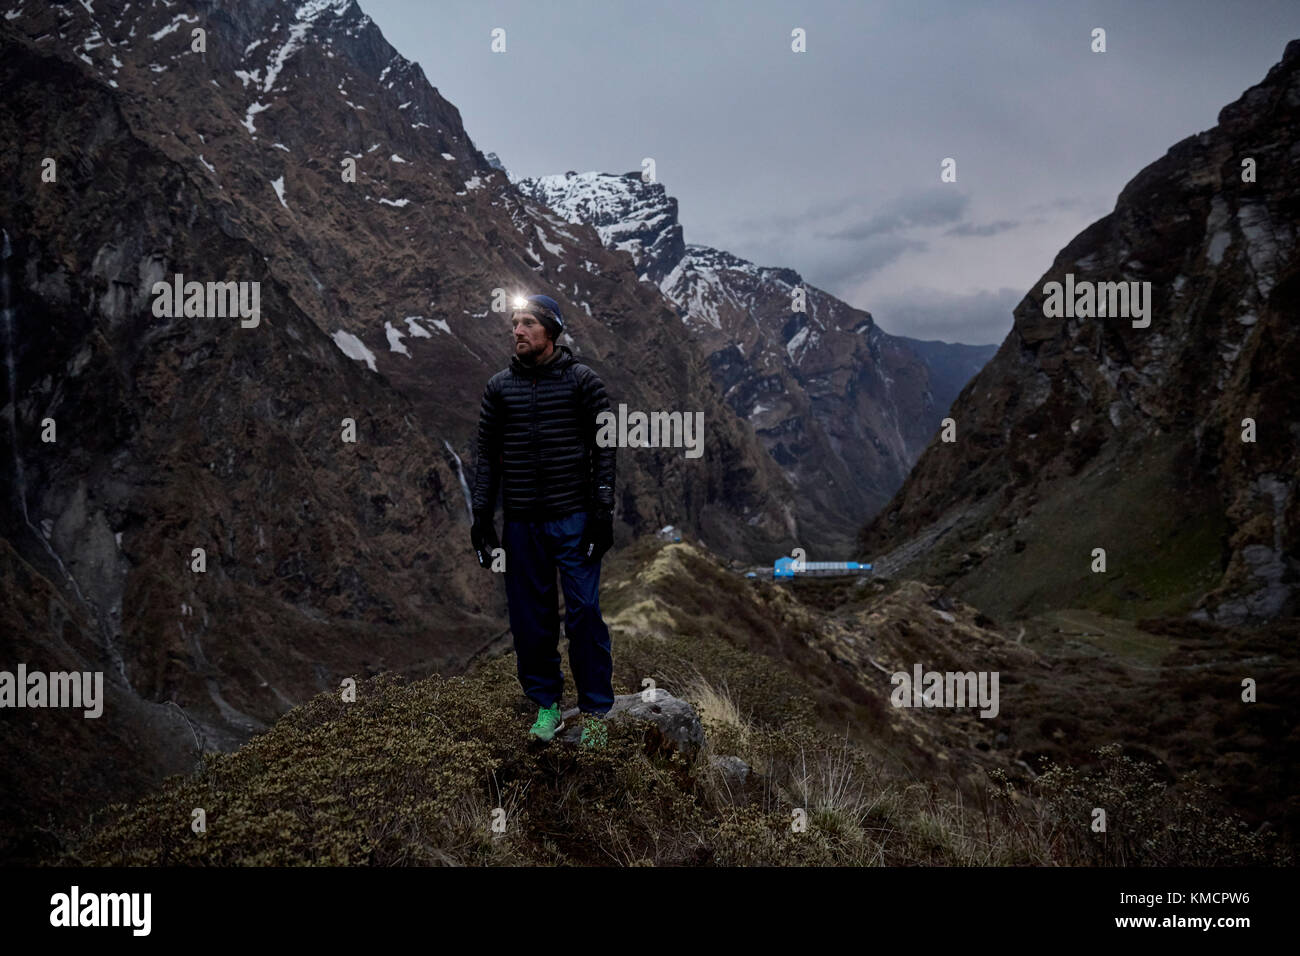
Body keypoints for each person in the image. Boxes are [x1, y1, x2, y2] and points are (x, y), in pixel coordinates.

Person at [470, 294, 616, 748]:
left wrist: (602, 513)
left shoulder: (583, 382)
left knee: (584, 615)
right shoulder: (498, 388)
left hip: (573, 519)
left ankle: (594, 714)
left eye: (527, 323)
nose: (517, 331)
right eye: (514, 323)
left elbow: (605, 448)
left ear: (550, 331)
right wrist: (481, 519)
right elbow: (485, 459)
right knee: (531, 622)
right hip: (521, 525)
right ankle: (547, 708)